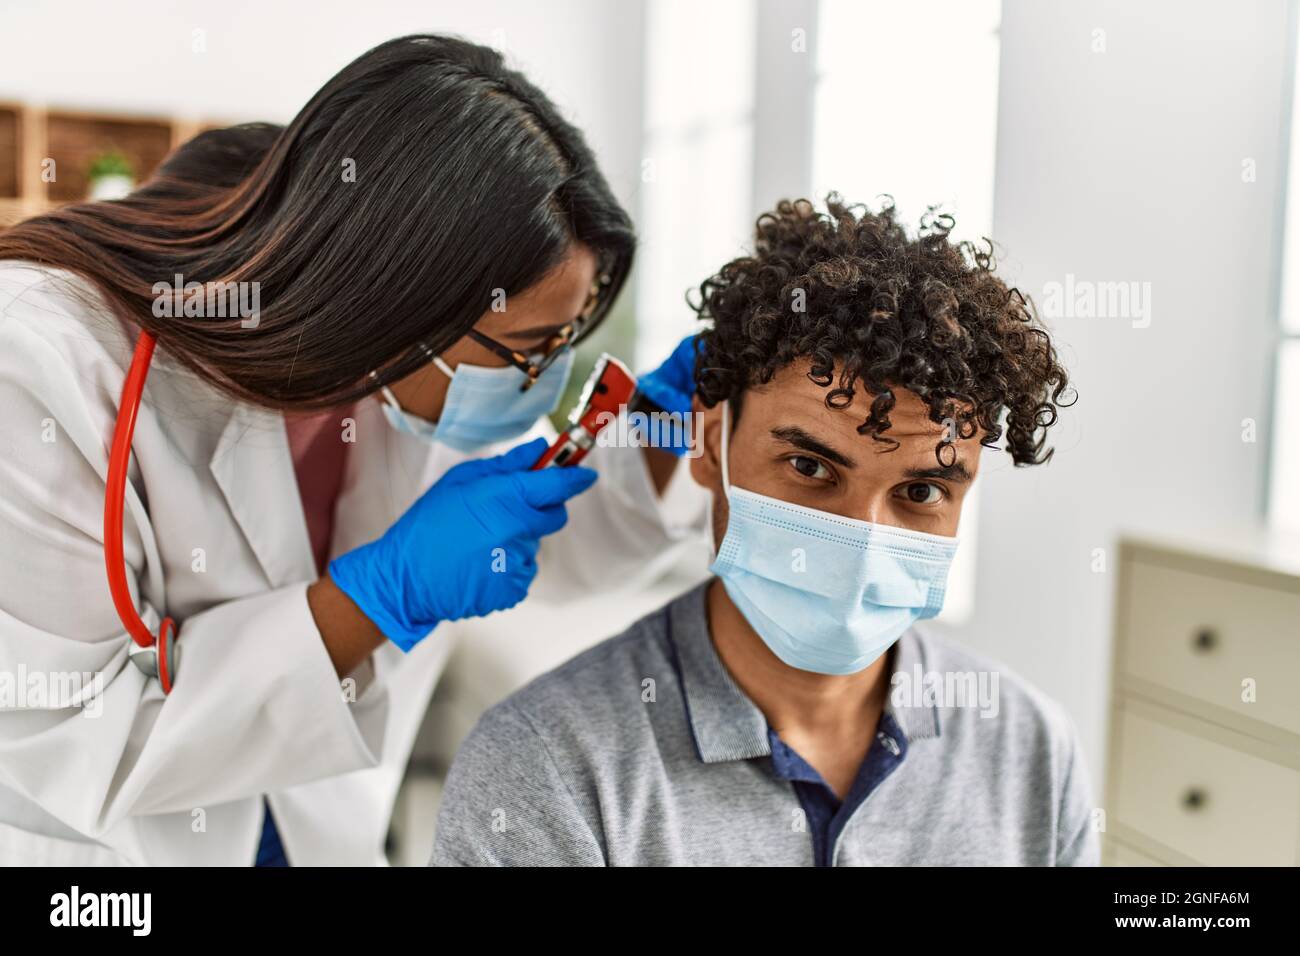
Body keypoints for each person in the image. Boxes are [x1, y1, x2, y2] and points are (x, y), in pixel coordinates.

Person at [0, 35, 699, 865]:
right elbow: (64, 737)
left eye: (565, 342)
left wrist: (665, 430)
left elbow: (542, 540)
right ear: (395, 297)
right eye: (528, 349)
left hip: (319, 833)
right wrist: (375, 598)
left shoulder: (406, 383)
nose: (542, 382)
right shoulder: (42, 363)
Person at [431, 196, 1097, 867]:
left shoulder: (1033, 752)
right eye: (809, 465)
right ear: (710, 444)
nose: (860, 541)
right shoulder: (547, 769)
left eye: (920, 491)